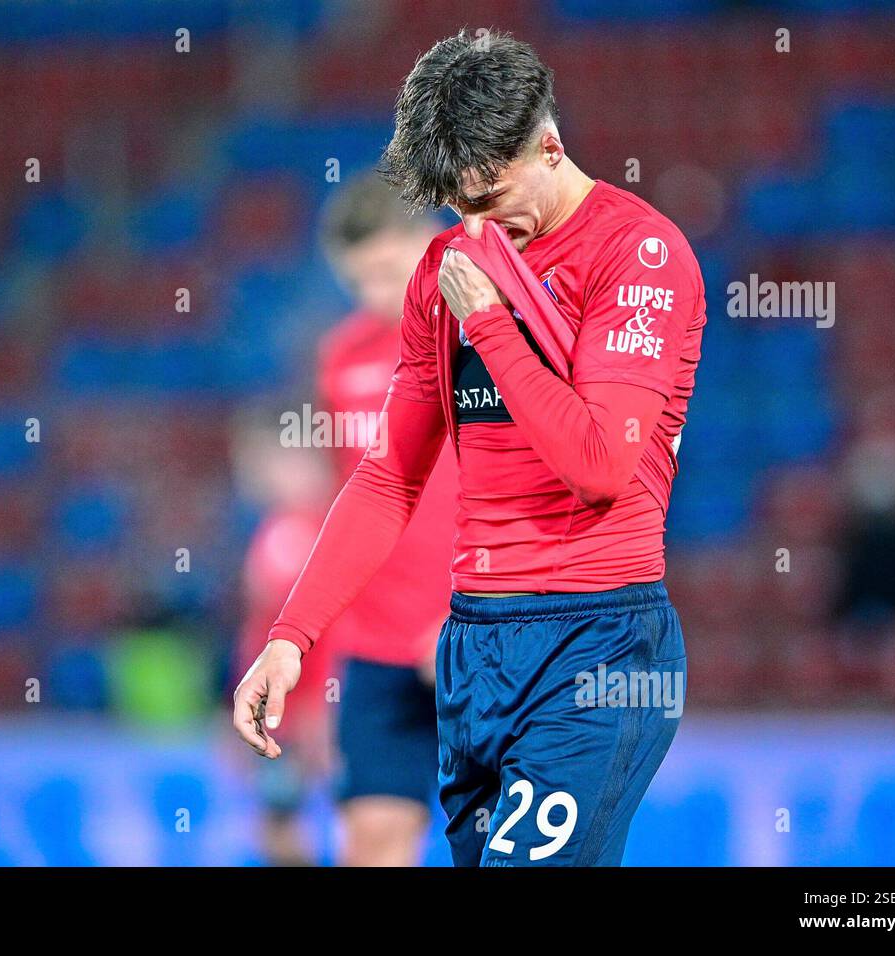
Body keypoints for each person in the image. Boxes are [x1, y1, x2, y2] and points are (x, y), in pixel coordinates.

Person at [234, 28, 707, 866]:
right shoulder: (447, 271)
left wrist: (489, 323)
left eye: (490, 198)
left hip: (596, 646)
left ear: (549, 147)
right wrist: (292, 635)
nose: (477, 225)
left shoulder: (640, 255)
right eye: (458, 206)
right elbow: (387, 479)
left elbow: (599, 465)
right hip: (476, 648)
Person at [313, 175, 458, 865]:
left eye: (386, 273)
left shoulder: (492, 336)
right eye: (357, 282)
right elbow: (353, 503)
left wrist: (478, 610)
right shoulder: (341, 358)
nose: (374, 297)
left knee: (502, 843)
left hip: (482, 637)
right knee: (370, 838)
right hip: (375, 647)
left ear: (433, 241)